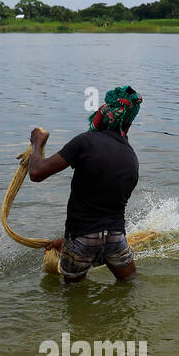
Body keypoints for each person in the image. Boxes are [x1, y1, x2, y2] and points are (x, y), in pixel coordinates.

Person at [26, 86, 142, 283]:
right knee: (130, 284)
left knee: (72, 295)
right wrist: (66, 240)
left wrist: (37, 143)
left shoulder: (86, 142)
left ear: (104, 113)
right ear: (128, 124)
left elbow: (36, 173)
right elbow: (105, 212)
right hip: (116, 238)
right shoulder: (131, 158)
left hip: (81, 239)